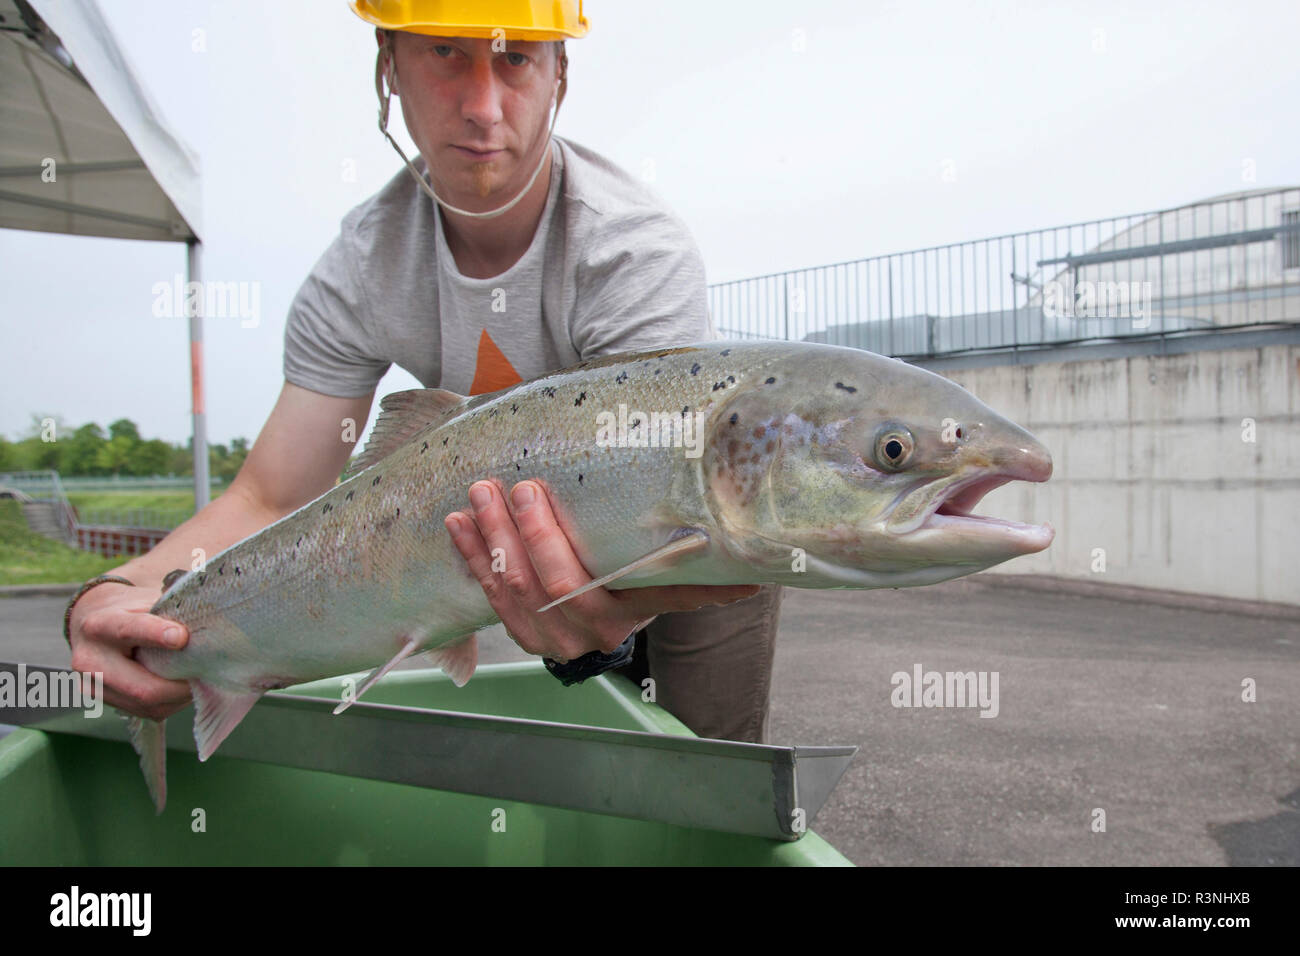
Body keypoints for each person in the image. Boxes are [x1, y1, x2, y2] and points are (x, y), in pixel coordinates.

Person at [64, 0, 783, 743]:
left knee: (705, 761)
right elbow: (269, 493)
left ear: (559, 72)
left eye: (516, 59)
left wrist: (612, 624)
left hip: (696, 534)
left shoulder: (634, 252)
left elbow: (675, 484)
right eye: (444, 53)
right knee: (596, 746)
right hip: (514, 541)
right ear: (389, 67)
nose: (482, 107)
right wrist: (120, 591)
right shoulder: (359, 269)